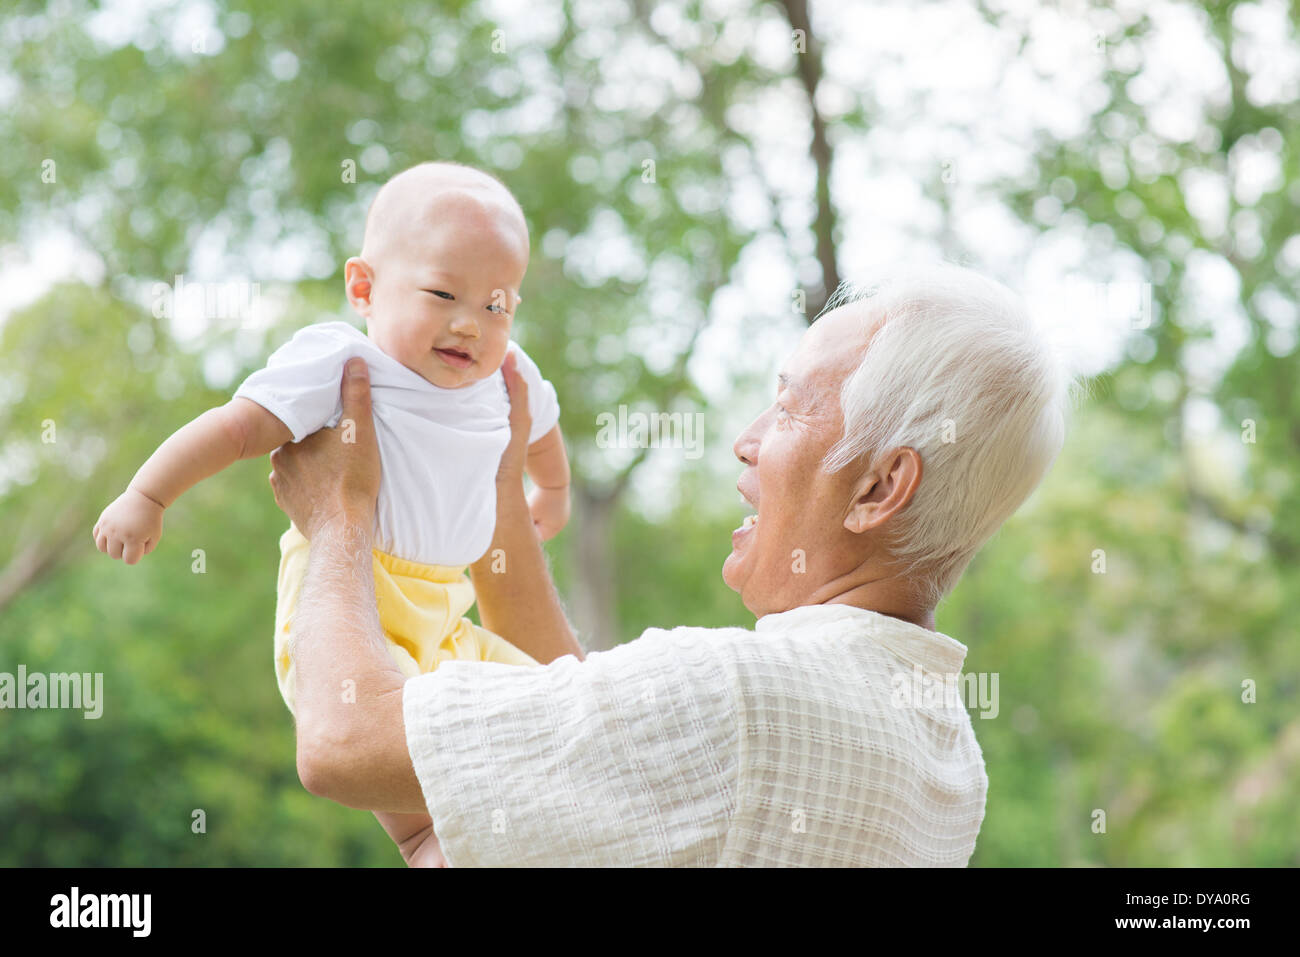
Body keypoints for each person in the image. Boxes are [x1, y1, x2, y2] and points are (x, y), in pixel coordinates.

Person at [270, 263, 1070, 867]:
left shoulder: (740, 697)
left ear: (879, 487)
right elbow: (599, 749)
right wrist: (497, 502)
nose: (748, 438)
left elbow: (343, 743)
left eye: (790, 407)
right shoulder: (948, 755)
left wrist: (338, 518)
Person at [91, 161, 571, 715]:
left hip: (447, 605)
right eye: (442, 294)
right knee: (384, 740)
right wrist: (148, 497)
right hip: (349, 594)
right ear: (364, 288)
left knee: (554, 708)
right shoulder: (341, 362)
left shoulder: (506, 372)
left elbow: (541, 432)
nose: (470, 324)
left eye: (496, 306)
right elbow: (237, 426)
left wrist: (553, 491)